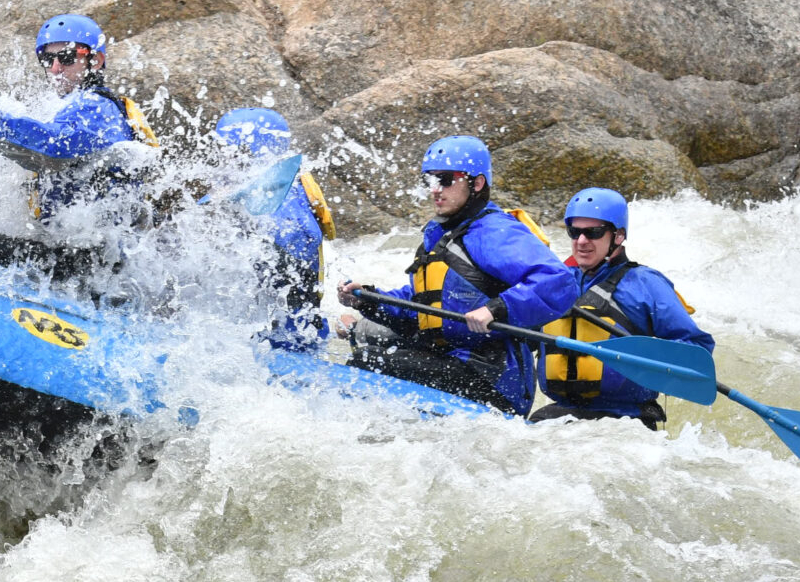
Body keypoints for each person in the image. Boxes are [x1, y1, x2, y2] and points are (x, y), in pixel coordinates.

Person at [336, 135, 574, 415]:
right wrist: (369, 299)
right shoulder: (441, 235)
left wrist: (496, 309)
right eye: (430, 181)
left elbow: (558, 281)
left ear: (477, 183)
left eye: (446, 180)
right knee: (368, 346)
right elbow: (422, 304)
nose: (435, 190)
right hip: (449, 359)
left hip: (491, 379)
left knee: (370, 362)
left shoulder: (495, 232)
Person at [532, 187, 714, 429]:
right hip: (560, 415)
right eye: (574, 232)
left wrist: (647, 356)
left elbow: (697, 350)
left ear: (618, 236)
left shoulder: (645, 284)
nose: (582, 241)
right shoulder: (557, 281)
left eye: (593, 233)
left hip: (625, 421)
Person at [0, 14, 159, 218]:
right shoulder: (66, 108)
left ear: (95, 60)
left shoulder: (98, 107)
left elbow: (55, 144)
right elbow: (27, 135)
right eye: (48, 59)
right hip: (68, 241)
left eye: (67, 57)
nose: (56, 69)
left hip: (101, 250)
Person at [212, 107, 335, 349]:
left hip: (289, 340)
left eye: (227, 153)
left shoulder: (285, 201)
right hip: (259, 332)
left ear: (250, 153)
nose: (220, 163)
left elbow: (293, 255)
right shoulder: (260, 197)